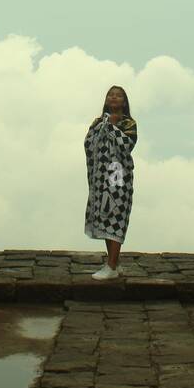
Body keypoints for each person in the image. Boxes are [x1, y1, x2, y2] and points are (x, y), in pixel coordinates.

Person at [83, 85, 137, 279]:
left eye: (118, 96)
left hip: (118, 176)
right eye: (110, 95)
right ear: (106, 100)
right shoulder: (98, 122)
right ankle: (115, 262)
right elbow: (88, 143)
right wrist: (103, 126)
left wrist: (112, 127)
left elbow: (127, 146)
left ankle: (111, 266)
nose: (114, 98)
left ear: (124, 101)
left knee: (115, 214)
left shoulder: (128, 123)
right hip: (100, 178)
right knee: (105, 215)